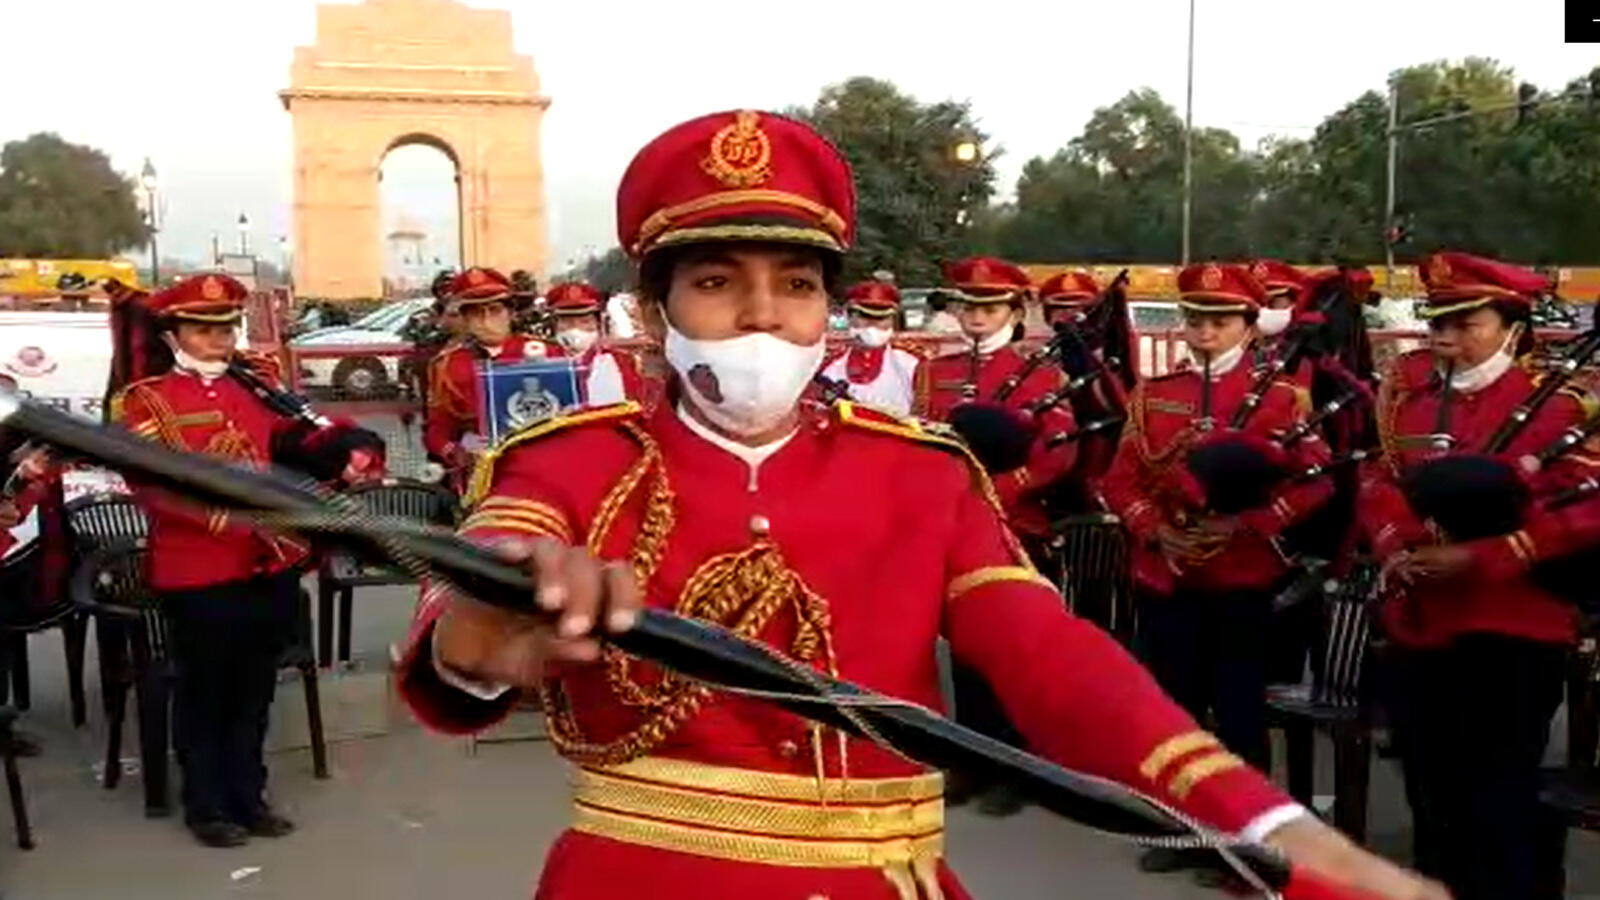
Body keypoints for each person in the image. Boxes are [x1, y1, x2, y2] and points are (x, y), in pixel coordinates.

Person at [392, 109, 1440, 900]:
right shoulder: (575, 458)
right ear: (657, 305)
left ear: (828, 304)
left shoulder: (919, 472)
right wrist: (474, 638)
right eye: (716, 280)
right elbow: (501, 547)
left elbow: (1052, 657)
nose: (763, 314)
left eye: (797, 283)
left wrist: (1265, 821)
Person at [110, 274, 384, 847]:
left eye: (225, 328)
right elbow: (154, 486)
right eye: (202, 329)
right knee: (206, 689)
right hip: (200, 570)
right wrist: (233, 518)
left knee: (256, 688)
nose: (218, 340)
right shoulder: (147, 399)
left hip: (270, 561)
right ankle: (207, 804)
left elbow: (301, 442)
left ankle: (248, 794)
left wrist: (349, 453)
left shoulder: (256, 387)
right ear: (173, 333)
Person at [1097, 263, 1336, 878]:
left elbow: (1317, 480)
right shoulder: (1154, 392)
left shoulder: (1283, 397)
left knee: (1238, 712)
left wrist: (1247, 525)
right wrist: (1158, 531)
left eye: (1220, 321)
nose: (1204, 331)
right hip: (1166, 572)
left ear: (1249, 328)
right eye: (1196, 319)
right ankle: (1180, 830)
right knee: (1172, 709)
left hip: (1241, 576)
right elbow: (1119, 481)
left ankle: (1244, 842)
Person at [1360, 252, 1586, 900]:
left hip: (1511, 624)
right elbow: (1380, 483)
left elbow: (1588, 507)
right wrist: (1396, 544)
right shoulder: (1410, 400)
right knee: (1432, 789)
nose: (1447, 337)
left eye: (1468, 323)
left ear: (1513, 326)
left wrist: (1484, 555)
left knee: (1499, 795)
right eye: (1440, 322)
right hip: (1420, 619)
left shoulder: (1558, 407)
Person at [921, 257, 1080, 816]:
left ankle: (1018, 763)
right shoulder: (935, 369)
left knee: (1009, 646)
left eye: (989, 307)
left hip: (1015, 525)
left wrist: (999, 491)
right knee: (962, 644)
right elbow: (922, 438)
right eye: (969, 306)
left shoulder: (1040, 373)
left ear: (1016, 311)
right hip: (951, 522)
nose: (976, 316)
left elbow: (1060, 451)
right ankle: (972, 757)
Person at [423, 267, 554, 492]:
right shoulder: (447, 365)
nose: (486, 320)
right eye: (476, 313)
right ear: (465, 319)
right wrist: (456, 451)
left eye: (494, 310)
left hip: (543, 464)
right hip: (483, 473)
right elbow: (437, 431)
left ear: (511, 312)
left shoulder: (549, 354)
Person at [815, 281, 927, 416]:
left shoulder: (911, 362)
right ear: (850, 317)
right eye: (865, 317)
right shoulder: (829, 364)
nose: (873, 325)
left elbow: (923, 414)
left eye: (881, 318)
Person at [545, 282, 646, 407]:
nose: (576, 328)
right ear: (554, 325)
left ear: (599, 323)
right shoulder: (543, 363)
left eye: (585, 321)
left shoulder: (622, 361)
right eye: (567, 322)